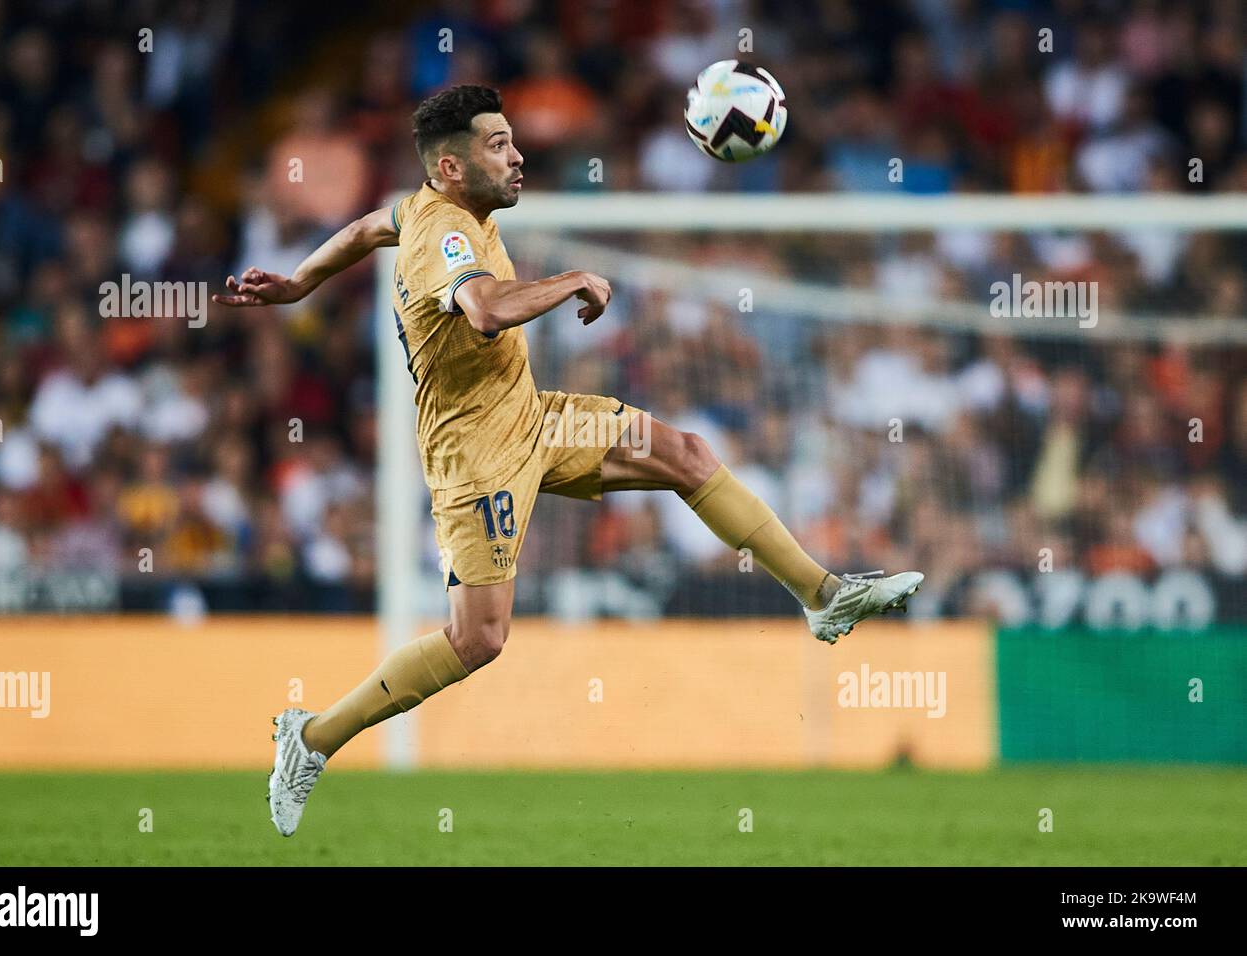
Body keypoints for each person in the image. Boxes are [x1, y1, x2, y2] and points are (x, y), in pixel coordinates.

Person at [214, 85, 924, 837]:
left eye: (512, 140)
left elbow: (364, 228)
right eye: (497, 145)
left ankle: (824, 595)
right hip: (476, 457)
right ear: (451, 168)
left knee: (685, 454)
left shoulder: (421, 209)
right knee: (478, 639)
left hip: (532, 417)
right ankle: (312, 738)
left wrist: (298, 283)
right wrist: (571, 280)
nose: (518, 155)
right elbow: (484, 309)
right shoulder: (443, 235)